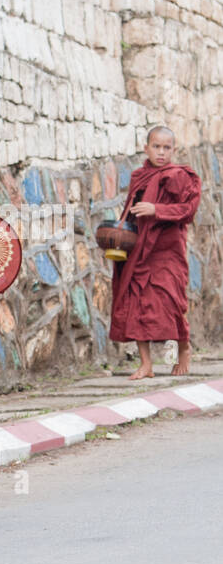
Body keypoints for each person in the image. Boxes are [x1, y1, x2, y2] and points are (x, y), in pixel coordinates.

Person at [107, 125, 202, 379]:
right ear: (145, 147)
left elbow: (188, 210)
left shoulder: (180, 175)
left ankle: (183, 347)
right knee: (135, 302)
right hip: (139, 249)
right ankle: (146, 364)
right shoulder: (139, 175)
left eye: (166, 148)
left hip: (166, 250)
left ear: (174, 149)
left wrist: (157, 210)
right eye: (156, 147)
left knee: (171, 301)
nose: (161, 152)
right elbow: (131, 209)